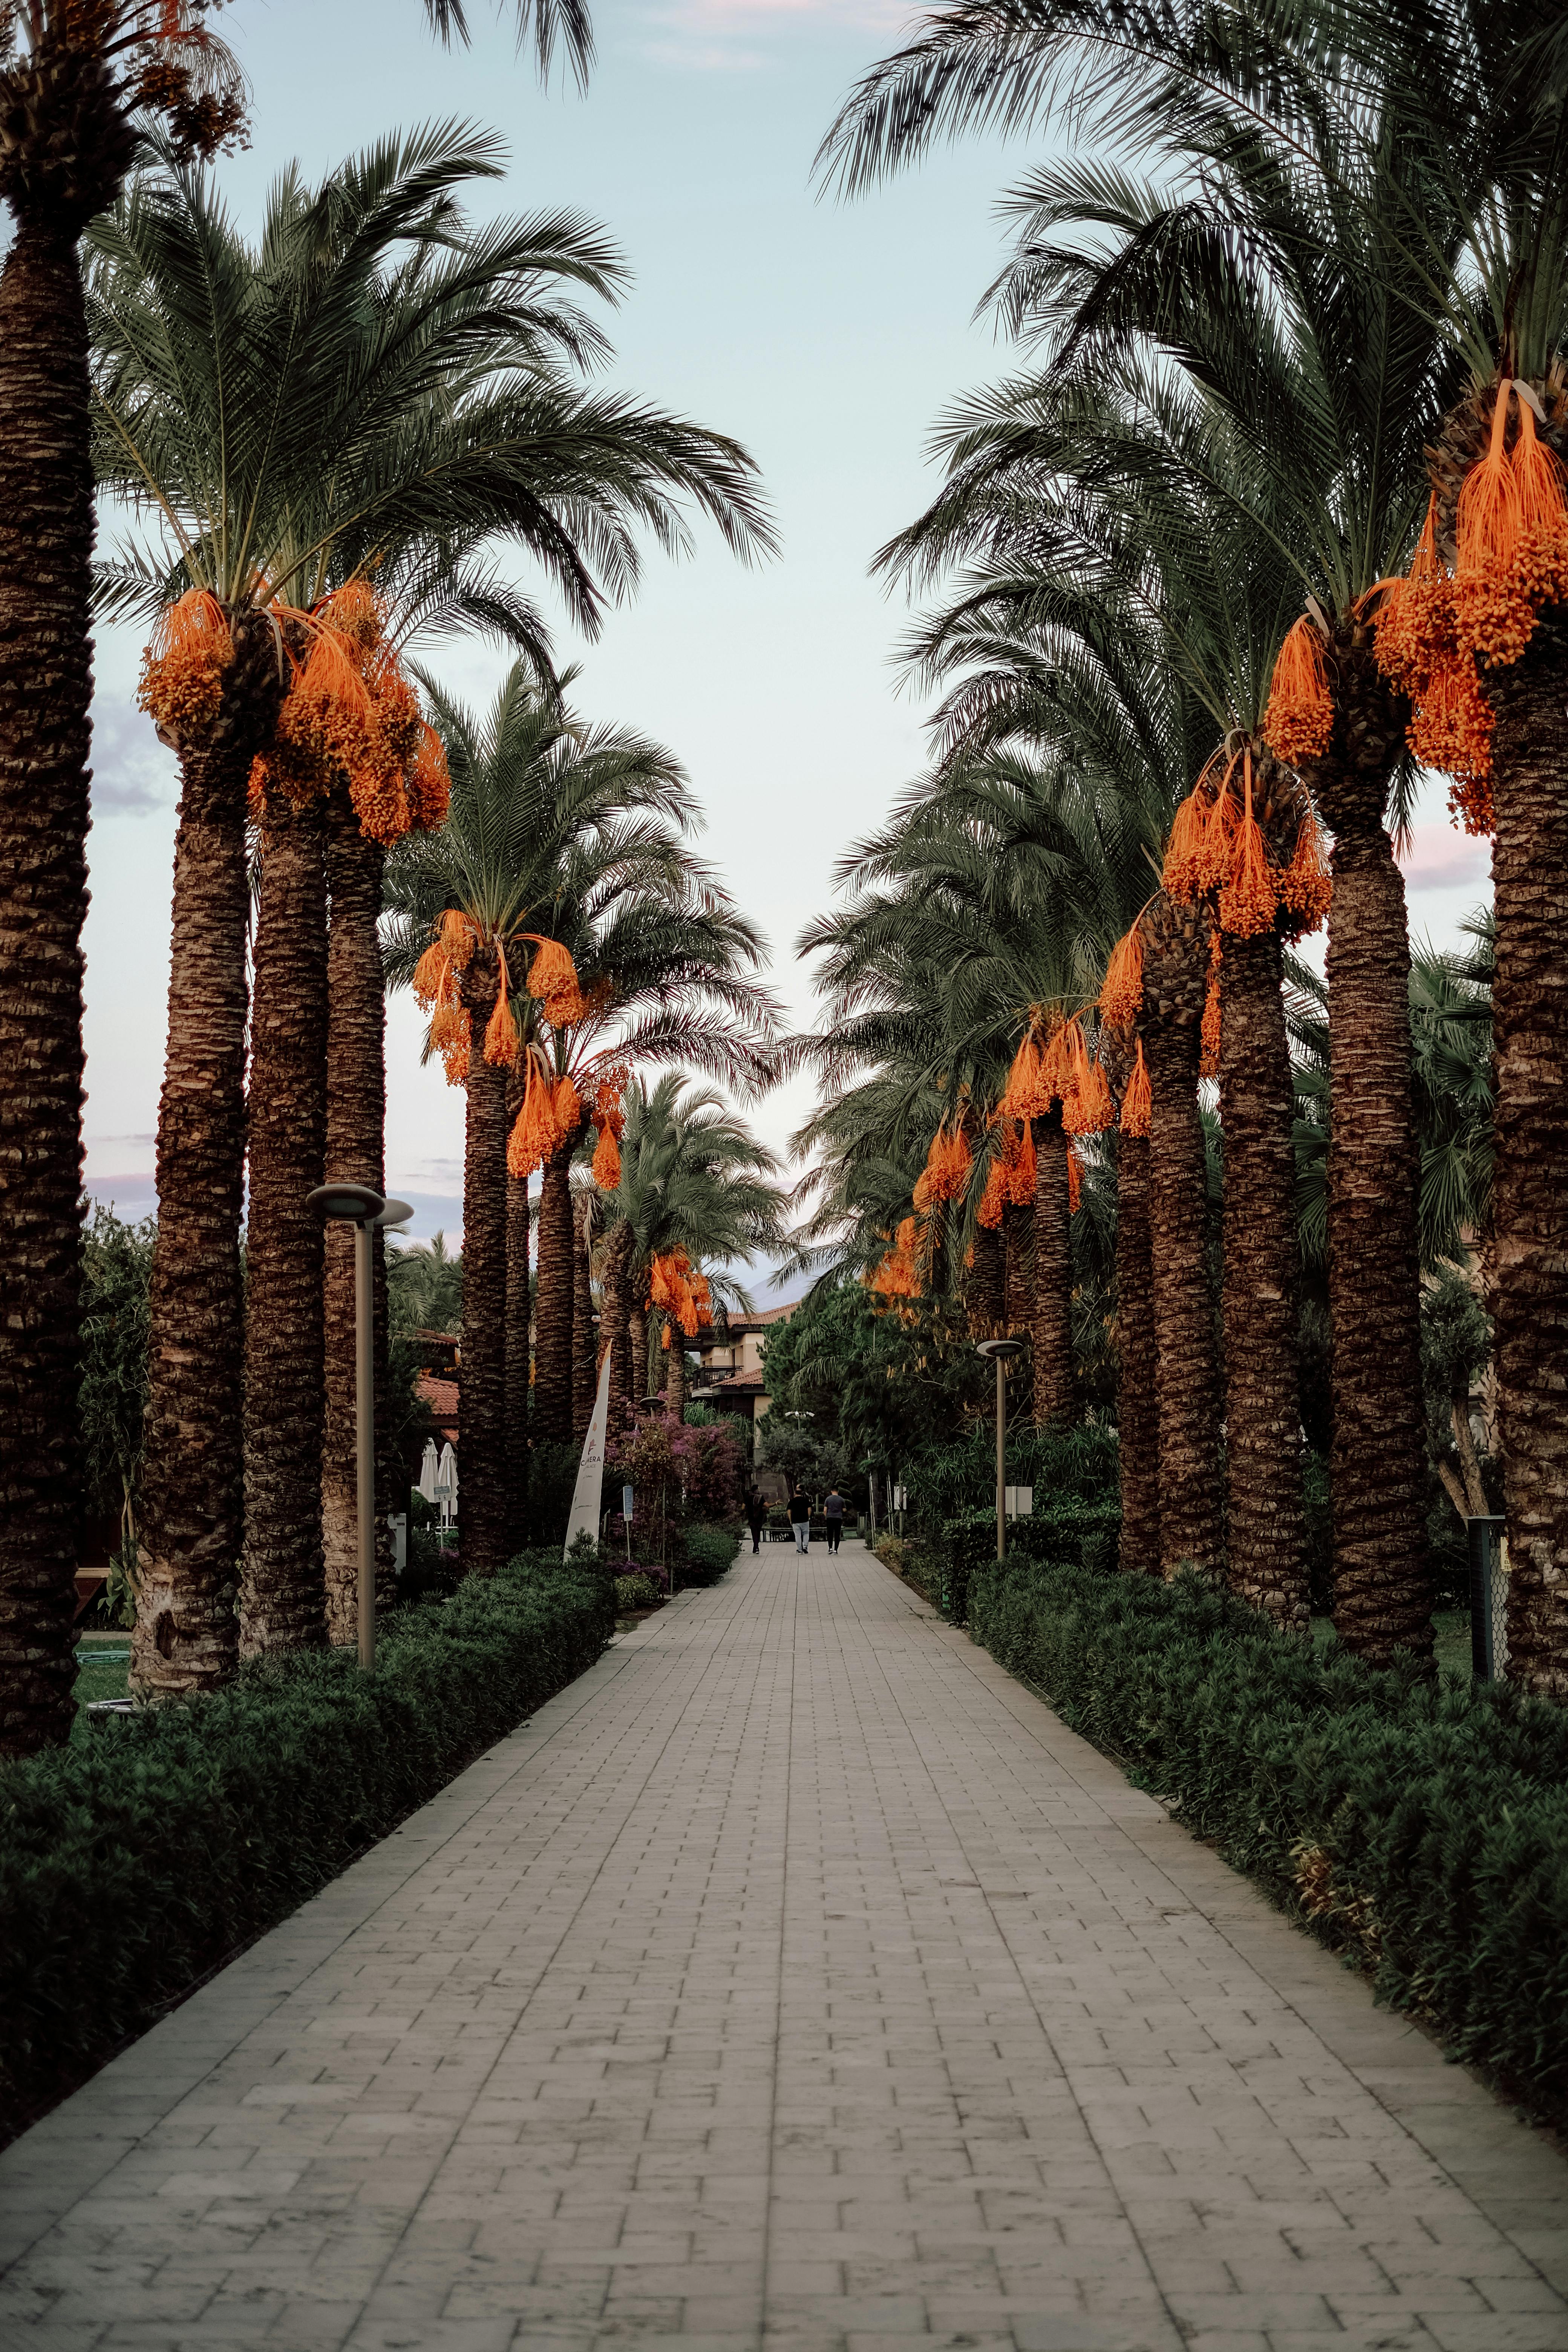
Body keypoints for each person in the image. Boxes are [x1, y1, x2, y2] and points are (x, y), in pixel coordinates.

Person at [789, 1484, 811, 1554]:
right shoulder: (806, 1501)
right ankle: (805, 1547)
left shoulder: (792, 1501)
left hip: (795, 1520)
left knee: (798, 1535)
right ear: (801, 1493)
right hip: (805, 1520)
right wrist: (808, 1517)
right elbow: (809, 1510)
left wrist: (791, 1520)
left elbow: (789, 1511)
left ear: (795, 1493)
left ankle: (800, 1550)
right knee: (806, 1533)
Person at [823, 1486, 845, 1553]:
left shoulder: (828, 1499)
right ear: (838, 1491)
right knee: (837, 1534)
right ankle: (836, 1550)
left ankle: (830, 1548)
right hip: (838, 1518)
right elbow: (844, 1510)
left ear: (831, 1491)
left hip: (830, 1518)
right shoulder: (841, 1499)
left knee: (830, 1533)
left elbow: (825, 1510)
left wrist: (826, 1516)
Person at [746, 1486, 766, 1554]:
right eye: (759, 1488)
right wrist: (775, 1504)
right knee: (758, 1533)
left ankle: (756, 1548)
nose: (759, 1490)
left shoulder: (748, 1498)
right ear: (756, 1490)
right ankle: (756, 1547)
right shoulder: (761, 1498)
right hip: (759, 1518)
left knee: (754, 1533)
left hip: (751, 1518)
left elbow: (743, 1507)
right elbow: (767, 1505)